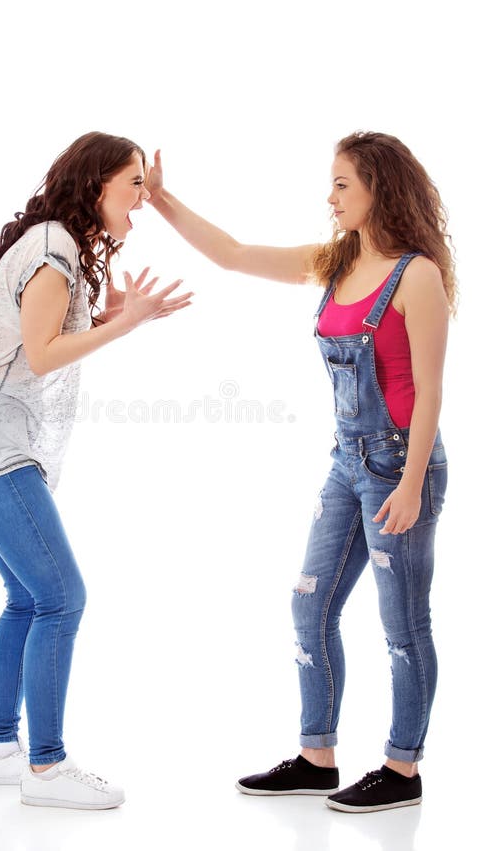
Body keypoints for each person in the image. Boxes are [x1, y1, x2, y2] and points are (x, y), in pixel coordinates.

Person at [145, 132, 455, 813]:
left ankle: (403, 770)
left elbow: (431, 391)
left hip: (402, 468)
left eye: (343, 183)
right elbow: (232, 254)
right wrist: (163, 200)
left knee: (402, 624)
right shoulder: (335, 262)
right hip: (347, 464)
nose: (331, 196)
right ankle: (318, 758)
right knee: (309, 604)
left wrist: (408, 488)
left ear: (380, 186)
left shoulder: (418, 274)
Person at [0, 131, 192, 810]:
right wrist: (127, 323)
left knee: (28, 598)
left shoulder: (56, 247)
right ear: (98, 184)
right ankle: (45, 769)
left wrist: (108, 313)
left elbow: (40, 336)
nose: (142, 198)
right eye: (135, 183)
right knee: (63, 598)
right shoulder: (52, 251)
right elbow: (45, 354)